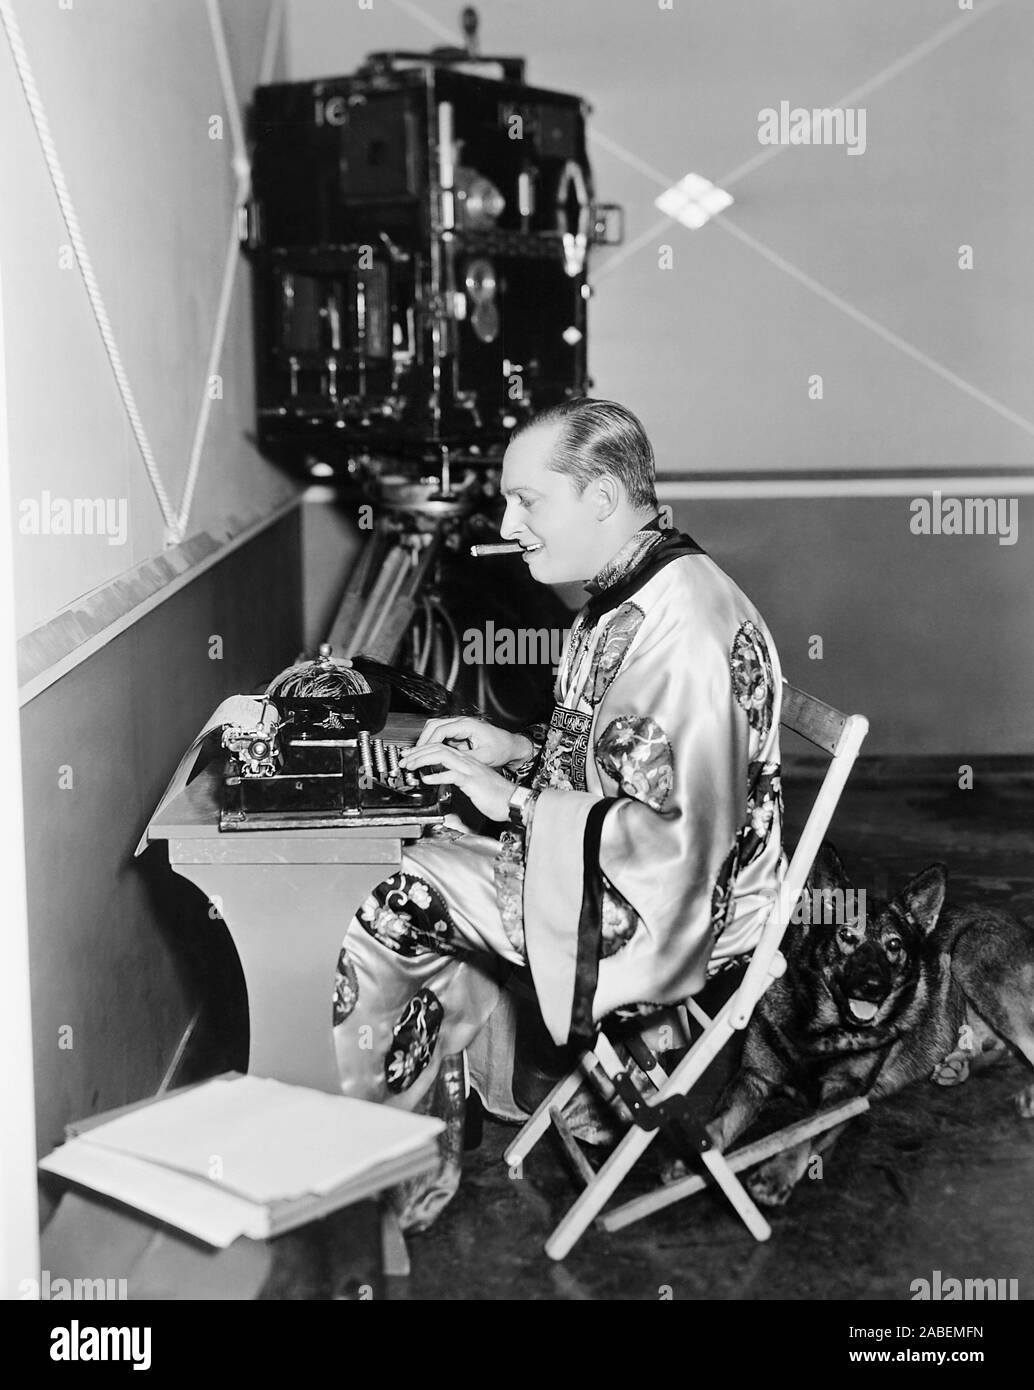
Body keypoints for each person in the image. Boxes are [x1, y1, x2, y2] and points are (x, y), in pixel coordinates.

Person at [331, 398, 784, 1228]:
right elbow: (616, 756)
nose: (509, 523)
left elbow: (673, 842)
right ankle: (442, 1103)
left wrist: (512, 800)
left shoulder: (678, 632)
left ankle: (377, 1175)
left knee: (380, 896)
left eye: (527, 501)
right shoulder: (633, 591)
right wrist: (511, 748)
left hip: (673, 913)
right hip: (629, 871)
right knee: (429, 839)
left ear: (603, 497)